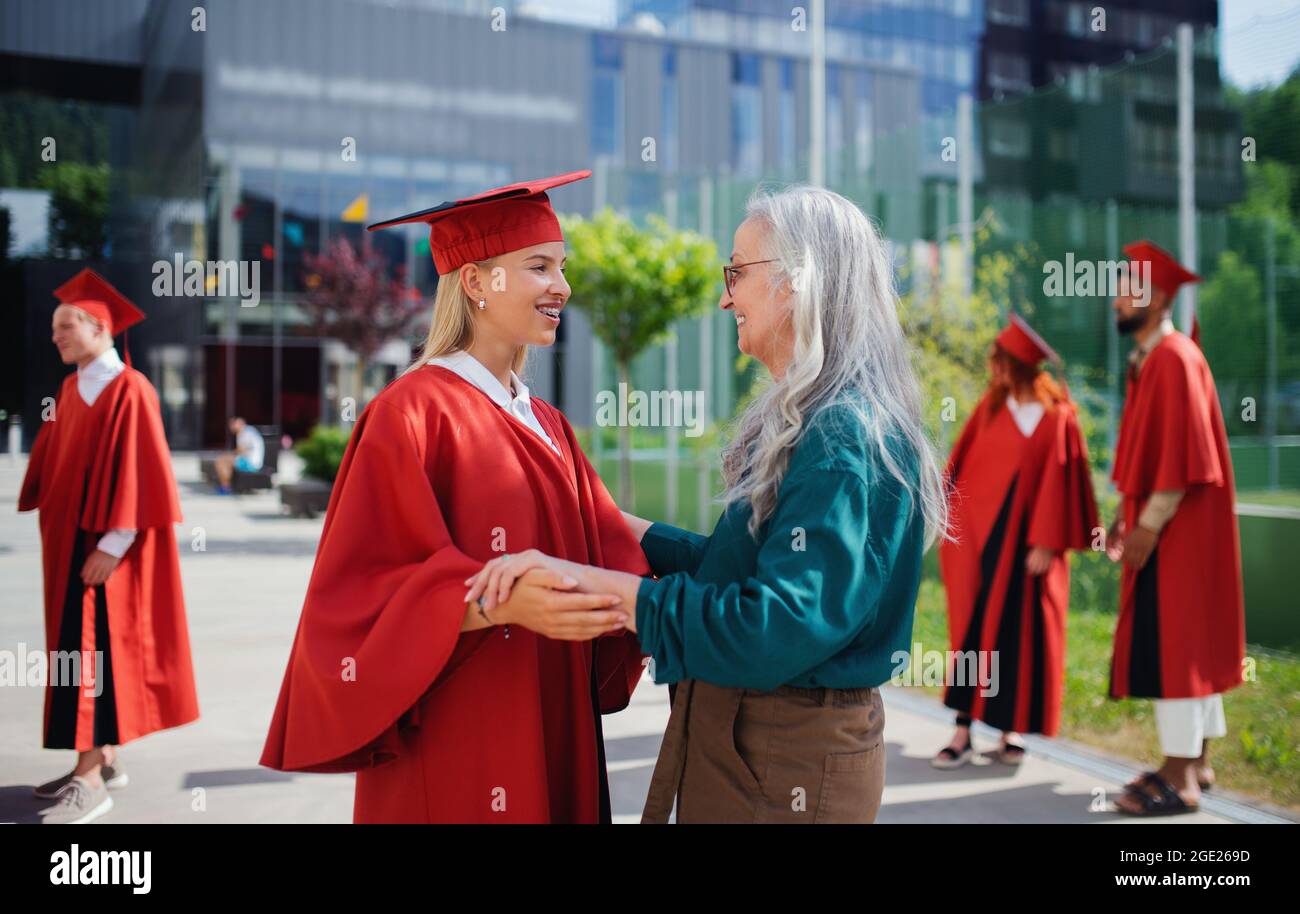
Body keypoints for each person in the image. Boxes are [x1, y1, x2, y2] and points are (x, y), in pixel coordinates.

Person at [466, 185, 948, 823]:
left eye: (738, 273)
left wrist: (609, 590)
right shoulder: (827, 417)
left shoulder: (840, 433)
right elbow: (747, 568)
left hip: (784, 753)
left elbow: (775, 626)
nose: (726, 297)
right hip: (768, 740)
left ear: (797, 281)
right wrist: (623, 532)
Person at [259, 170, 649, 823]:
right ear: (475, 282)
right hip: (460, 726)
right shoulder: (409, 413)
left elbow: (611, 538)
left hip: (555, 711)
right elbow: (361, 593)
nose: (563, 286)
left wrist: (737, 562)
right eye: (539, 266)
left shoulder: (547, 422)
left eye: (561, 266)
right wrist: (498, 604)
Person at [19, 269, 199, 824]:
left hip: (103, 552)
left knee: (90, 650)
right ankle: (104, 760)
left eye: (66, 324)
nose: (57, 335)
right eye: (54, 327)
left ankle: (89, 777)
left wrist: (114, 545)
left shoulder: (131, 389)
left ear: (100, 326)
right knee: (79, 650)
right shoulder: (72, 389)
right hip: (67, 549)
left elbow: (143, 475)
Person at [1106, 240, 1245, 817]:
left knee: (1175, 646)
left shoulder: (1173, 359)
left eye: (1126, 290)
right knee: (1193, 643)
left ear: (1158, 297)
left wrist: (1149, 523)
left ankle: (1180, 776)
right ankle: (1197, 762)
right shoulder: (1154, 359)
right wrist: (1124, 513)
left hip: (1179, 533)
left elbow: (1186, 457)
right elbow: (1153, 450)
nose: (1115, 300)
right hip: (1179, 531)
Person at [932, 315, 1099, 770]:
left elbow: (1066, 486)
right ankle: (962, 730)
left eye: (1002, 362)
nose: (995, 370)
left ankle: (1011, 730)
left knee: (1017, 635)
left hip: (1028, 550)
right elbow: (958, 472)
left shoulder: (1057, 418)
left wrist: (1049, 542)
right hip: (977, 547)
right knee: (969, 632)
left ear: (1021, 367)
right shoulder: (989, 410)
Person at [213, 416, 264, 494]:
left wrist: (228, 455)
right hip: (249, 461)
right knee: (223, 461)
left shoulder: (247, 432)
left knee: (222, 461)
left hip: (251, 464)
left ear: (239, 423)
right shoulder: (246, 431)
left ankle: (226, 487)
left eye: (232, 424)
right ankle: (226, 486)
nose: (231, 427)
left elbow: (241, 451)